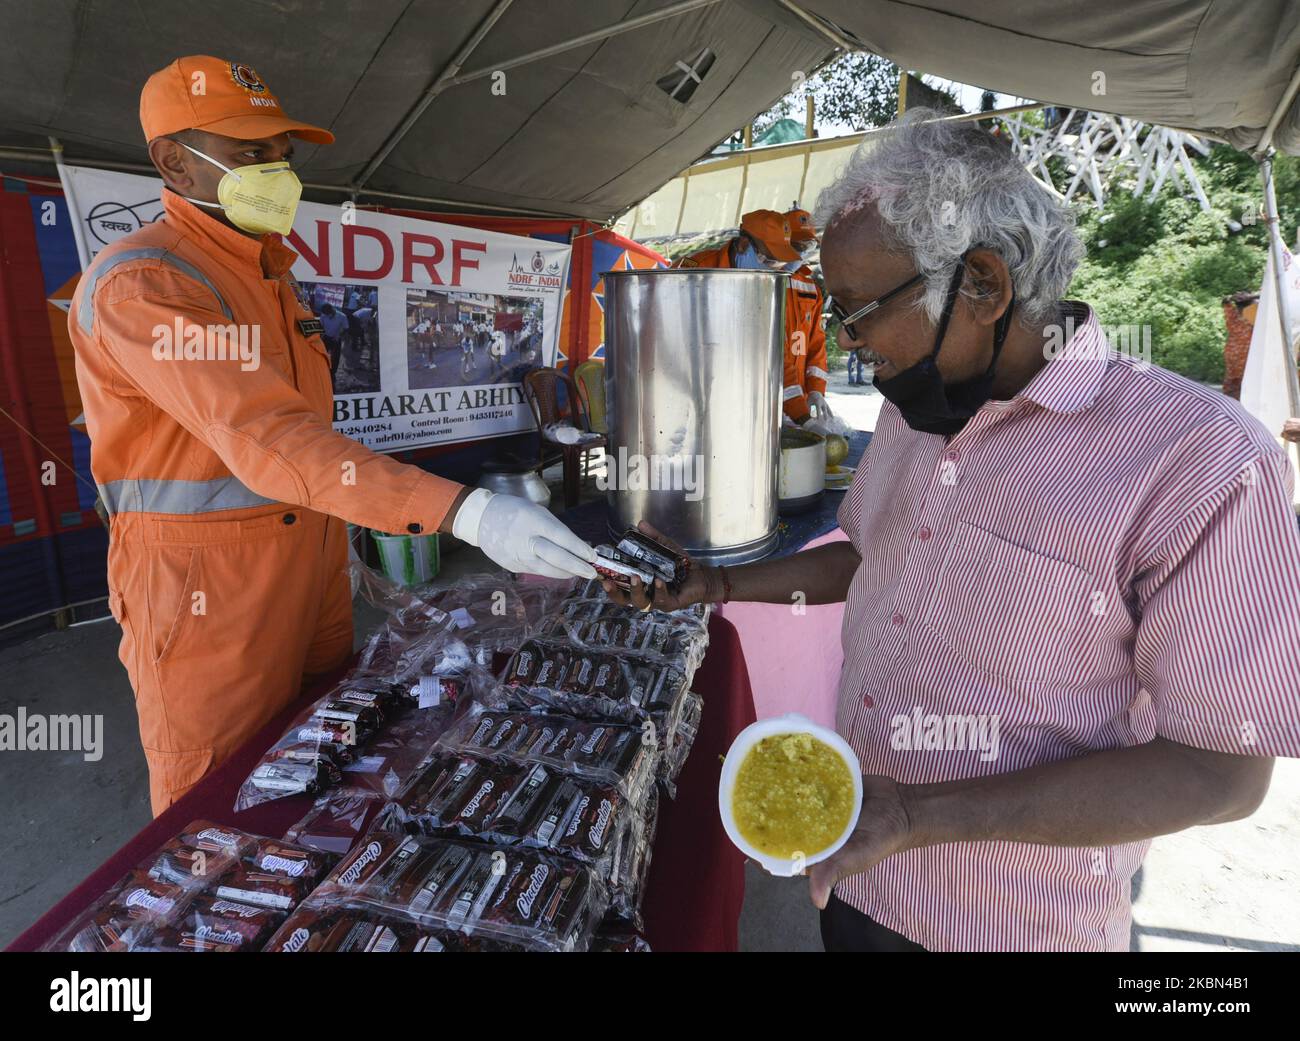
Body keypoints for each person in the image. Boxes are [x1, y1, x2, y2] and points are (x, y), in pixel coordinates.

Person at [607, 110, 1300, 952]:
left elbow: (1219, 771)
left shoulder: (1199, 460)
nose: (850, 344)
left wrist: (916, 814)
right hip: (856, 867)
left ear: (983, 284)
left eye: (859, 311)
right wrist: (717, 585)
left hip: (1015, 921)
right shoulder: (920, 406)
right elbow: (872, 559)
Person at [68, 55, 596, 815]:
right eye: (251, 153)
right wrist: (466, 512)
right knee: (220, 808)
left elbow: (312, 441)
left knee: (328, 760)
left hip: (313, 568)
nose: (277, 171)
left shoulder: (271, 276)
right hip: (205, 595)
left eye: (282, 155)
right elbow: (270, 435)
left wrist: (350, 549)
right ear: (173, 161)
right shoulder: (145, 284)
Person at [676, 210, 823, 423]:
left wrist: (803, 415)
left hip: (741, 404)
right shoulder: (694, 268)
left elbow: (773, 355)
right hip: (688, 400)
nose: (772, 270)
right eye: (769, 260)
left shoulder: (764, 286)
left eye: (779, 264)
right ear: (744, 244)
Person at [783, 206, 832, 423]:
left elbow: (816, 344)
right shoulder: (762, 283)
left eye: (806, 246)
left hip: (799, 398)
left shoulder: (810, 287)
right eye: (796, 245)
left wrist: (816, 390)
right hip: (767, 396)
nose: (801, 253)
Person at [317, 301, 348, 379]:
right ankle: (322, 369)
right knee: (323, 354)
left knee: (335, 357)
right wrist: (320, 336)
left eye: (328, 314)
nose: (327, 316)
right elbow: (321, 326)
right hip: (326, 337)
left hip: (336, 339)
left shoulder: (342, 316)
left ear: (332, 310)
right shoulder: (323, 315)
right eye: (325, 314)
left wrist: (339, 336)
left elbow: (346, 328)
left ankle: (332, 372)